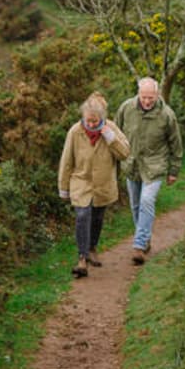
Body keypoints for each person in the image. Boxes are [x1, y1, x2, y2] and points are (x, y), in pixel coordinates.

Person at [58, 92, 130, 278]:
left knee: (97, 218)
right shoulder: (75, 132)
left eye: (95, 121)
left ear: (102, 118)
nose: (91, 124)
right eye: (88, 120)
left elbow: (125, 153)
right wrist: (63, 188)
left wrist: (110, 138)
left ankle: (92, 248)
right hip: (81, 182)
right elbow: (66, 161)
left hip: (103, 184)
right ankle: (82, 259)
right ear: (83, 117)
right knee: (82, 215)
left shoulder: (110, 128)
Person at [115, 77, 183, 265]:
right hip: (132, 164)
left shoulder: (167, 115)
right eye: (144, 97)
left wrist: (174, 170)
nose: (147, 101)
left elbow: (175, 144)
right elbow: (115, 133)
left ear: (157, 94)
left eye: (151, 98)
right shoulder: (126, 108)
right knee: (136, 205)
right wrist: (115, 160)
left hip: (155, 166)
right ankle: (144, 240)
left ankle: (138, 245)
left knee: (146, 201)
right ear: (138, 93)